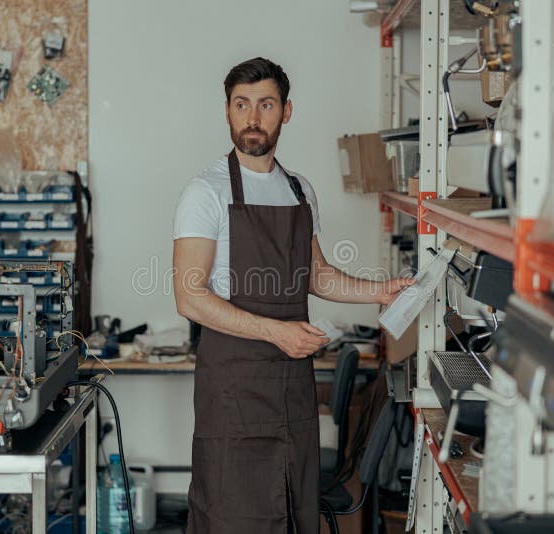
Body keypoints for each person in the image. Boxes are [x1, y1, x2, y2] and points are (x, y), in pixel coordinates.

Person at [172, 57, 413, 534]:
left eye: (265, 104)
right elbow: (189, 297)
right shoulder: (205, 193)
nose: (253, 117)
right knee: (232, 515)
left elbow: (317, 275)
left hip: (290, 389)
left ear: (286, 111)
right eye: (242, 105)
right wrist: (274, 332)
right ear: (227, 112)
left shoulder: (299, 191)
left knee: (293, 512)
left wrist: (379, 291)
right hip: (233, 391)